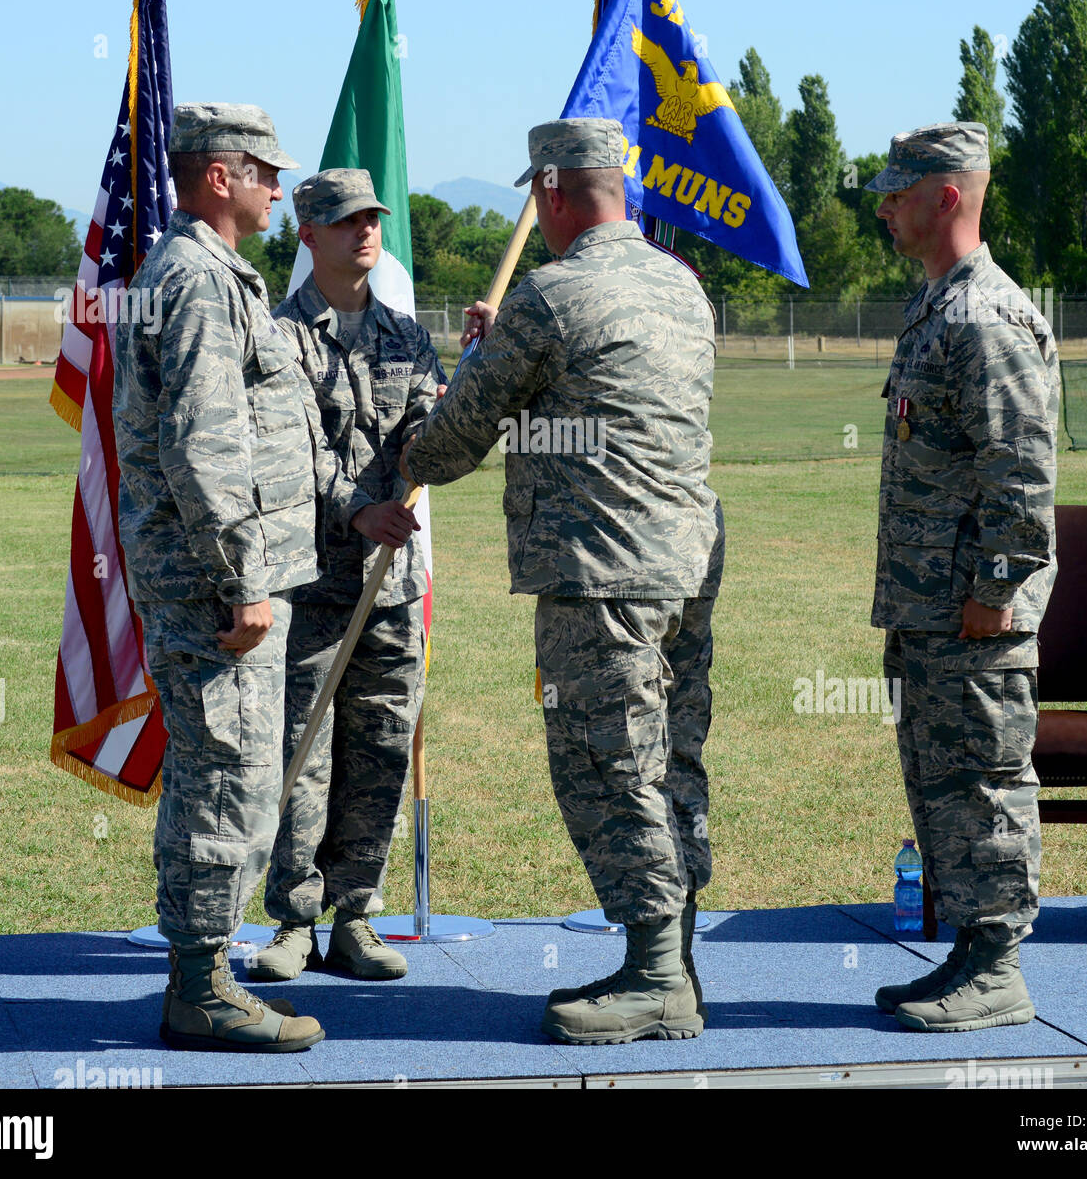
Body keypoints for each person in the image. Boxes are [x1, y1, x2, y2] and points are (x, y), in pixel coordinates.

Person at [399, 118, 724, 1046]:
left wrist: (414, 435)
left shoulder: (550, 295)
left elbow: (456, 441)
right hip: (686, 560)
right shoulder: (682, 288)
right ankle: (672, 954)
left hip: (602, 569)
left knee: (607, 759)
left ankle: (657, 977)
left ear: (550, 192)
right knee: (670, 758)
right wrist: (515, 355)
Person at [114, 102, 341, 1052]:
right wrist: (245, 577)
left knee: (231, 776)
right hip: (216, 588)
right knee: (226, 780)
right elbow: (203, 447)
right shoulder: (200, 281)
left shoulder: (215, 275)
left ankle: (198, 976)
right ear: (221, 175)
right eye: (267, 172)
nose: (282, 189)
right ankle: (201, 990)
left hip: (228, 578)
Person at [866, 121, 1059, 1031]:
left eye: (899, 190)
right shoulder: (938, 305)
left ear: (949, 195)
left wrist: (991, 593)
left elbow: (1021, 474)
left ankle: (998, 968)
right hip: (930, 609)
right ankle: (968, 954)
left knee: (984, 778)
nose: (884, 204)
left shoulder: (989, 316)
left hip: (975, 614)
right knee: (942, 782)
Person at [247, 169, 444, 984]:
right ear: (308, 235)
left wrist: (446, 421)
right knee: (305, 751)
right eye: (345, 220)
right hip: (311, 586)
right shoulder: (279, 336)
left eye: (371, 218)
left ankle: (356, 916)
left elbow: (431, 432)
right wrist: (356, 507)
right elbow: (285, 448)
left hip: (391, 586)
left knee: (381, 750)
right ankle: (295, 919)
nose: (365, 232)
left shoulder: (407, 335)